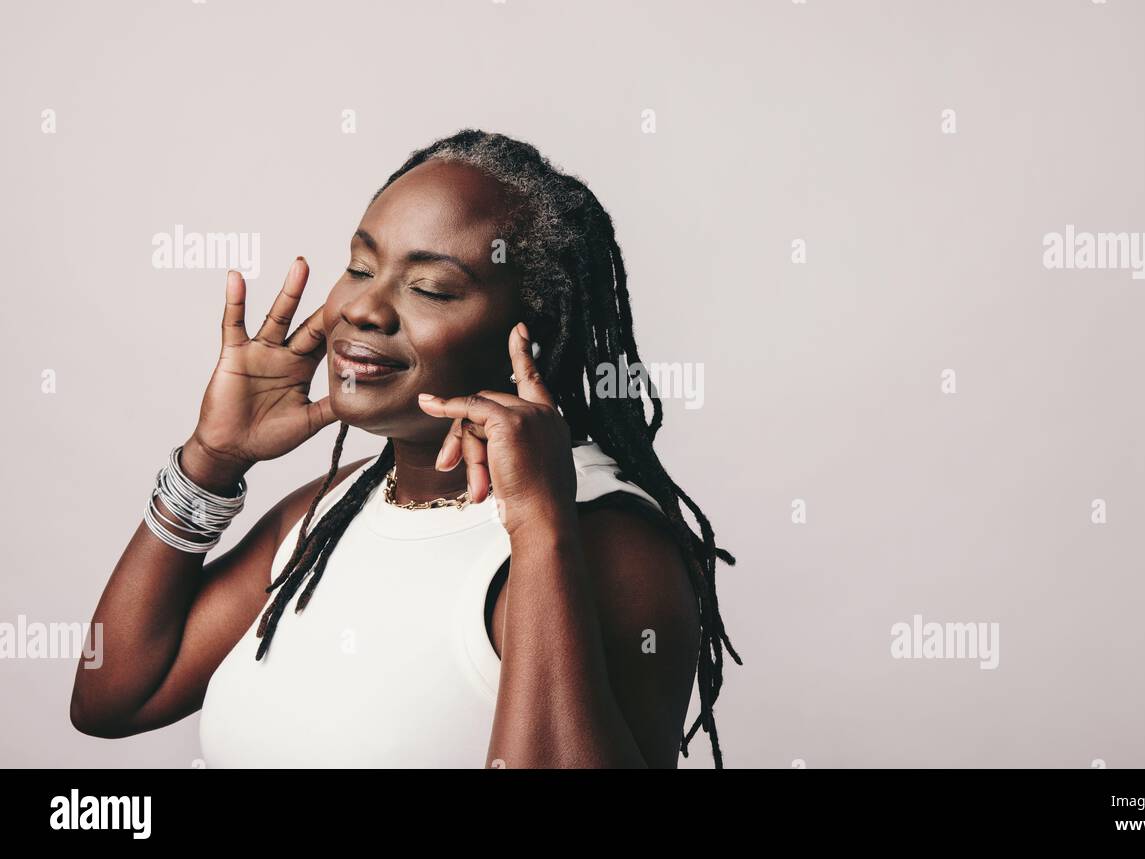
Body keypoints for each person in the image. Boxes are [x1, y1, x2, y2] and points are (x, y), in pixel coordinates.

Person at [69, 129, 740, 768]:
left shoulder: (606, 539)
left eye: (430, 288)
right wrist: (211, 461)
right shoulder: (336, 507)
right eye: (361, 266)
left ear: (533, 334)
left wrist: (538, 524)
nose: (364, 308)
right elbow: (115, 695)